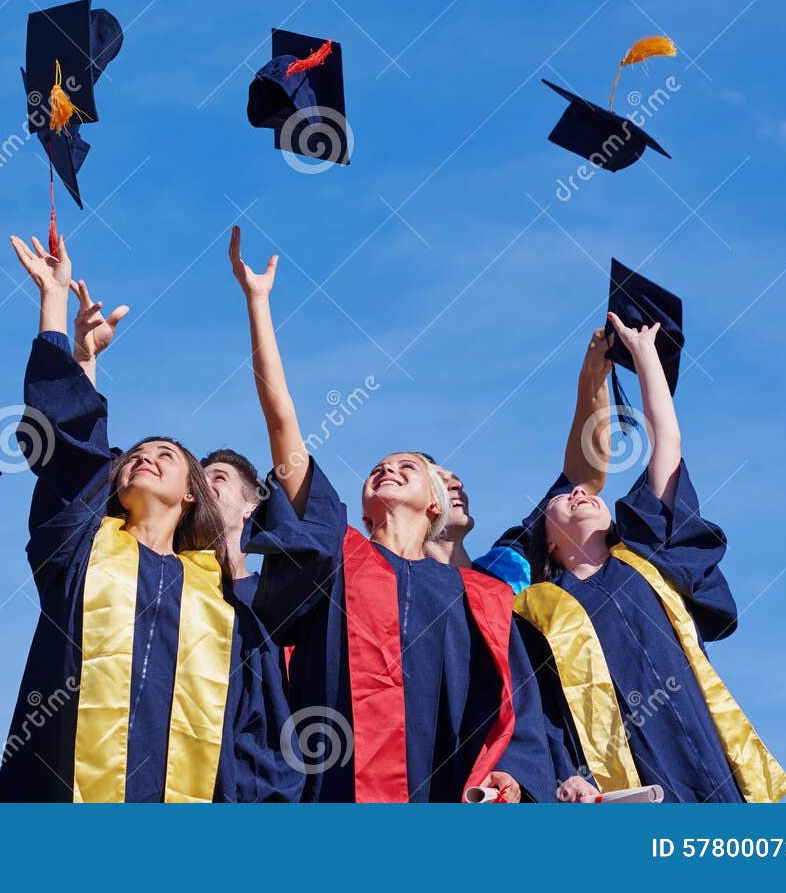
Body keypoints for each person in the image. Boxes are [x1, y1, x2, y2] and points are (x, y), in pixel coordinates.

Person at [230, 227, 561, 803]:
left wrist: (512, 774)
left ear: (438, 500)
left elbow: (519, 714)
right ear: (357, 505)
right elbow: (285, 433)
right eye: (377, 467)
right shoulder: (336, 554)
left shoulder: (481, 598)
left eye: (405, 465)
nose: (386, 469)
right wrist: (258, 305)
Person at [0, 236, 300, 802]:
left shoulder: (223, 603)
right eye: (136, 453)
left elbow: (256, 744)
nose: (144, 457)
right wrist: (57, 309)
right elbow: (71, 453)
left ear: (191, 494)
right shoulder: (83, 549)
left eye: (166, 456)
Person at [511, 312, 786, 803]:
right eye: (562, 498)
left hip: (707, 753)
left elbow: (668, 446)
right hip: (624, 777)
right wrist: (564, 776)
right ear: (547, 543)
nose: (580, 494)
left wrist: (645, 358)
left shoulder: (647, 554)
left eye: (588, 492)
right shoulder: (537, 609)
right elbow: (540, 710)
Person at [430, 330, 613, 587]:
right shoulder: (386, 590)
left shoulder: (509, 568)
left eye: (453, 478)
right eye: (435, 481)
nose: (455, 485)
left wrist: (593, 377)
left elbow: (583, 476)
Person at [201, 447, 263, 585]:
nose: (202, 485)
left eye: (219, 478)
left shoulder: (271, 600)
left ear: (250, 510)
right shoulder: (171, 575)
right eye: (199, 481)